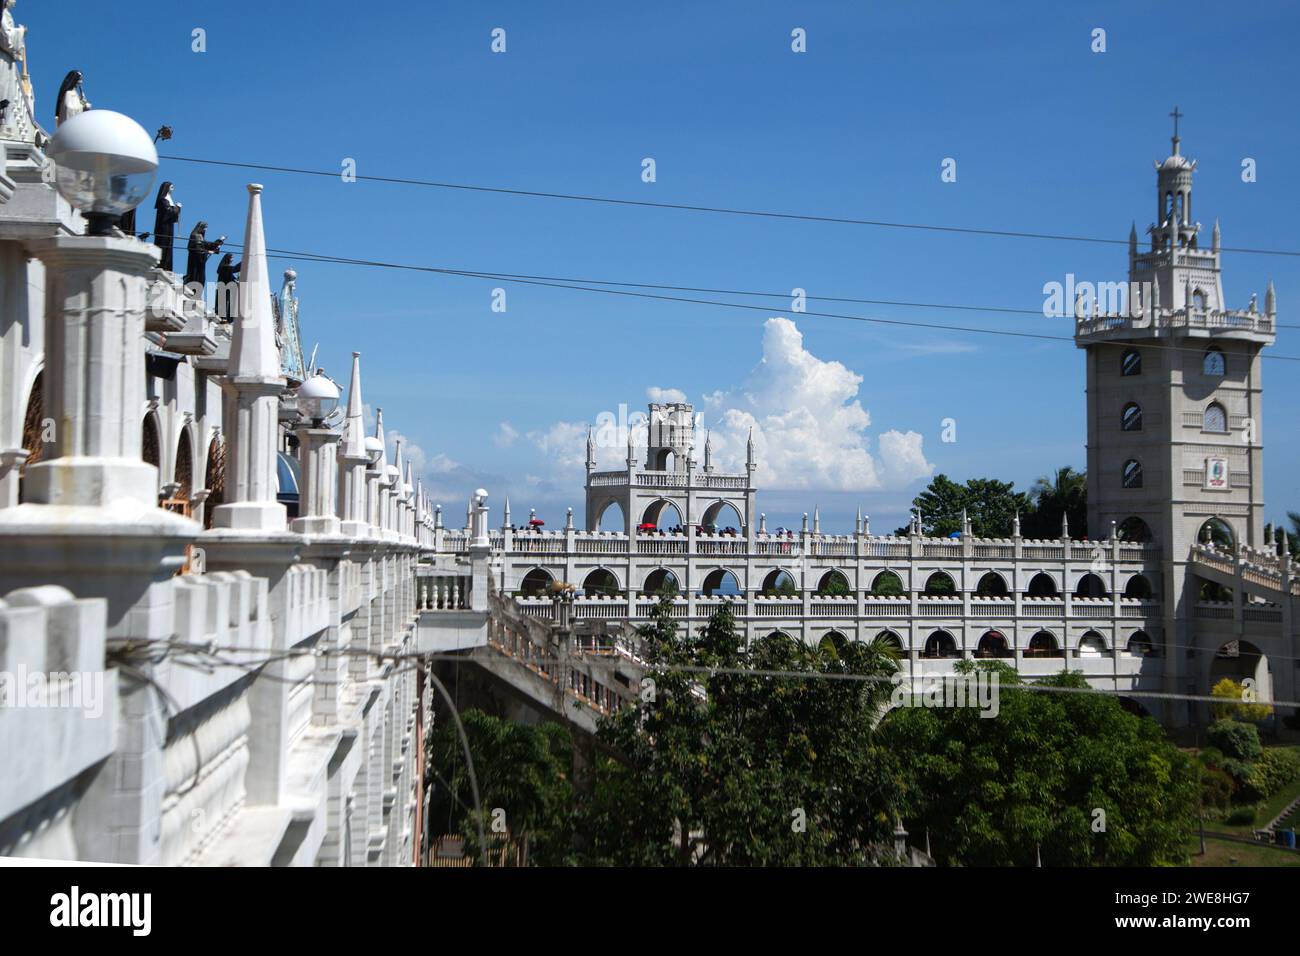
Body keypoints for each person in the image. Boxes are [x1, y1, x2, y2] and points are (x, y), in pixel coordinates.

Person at [183, 221, 224, 288]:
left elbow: (209, 245)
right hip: (195, 262)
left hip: (200, 262)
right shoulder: (195, 235)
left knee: (201, 278)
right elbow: (197, 249)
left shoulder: (201, 237)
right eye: (204, 228)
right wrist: (208, 251)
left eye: (206, 229)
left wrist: (219, 241)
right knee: (196, 277)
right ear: (200, 227)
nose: (205, 230)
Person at [152, 182, 181, 272]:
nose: (173, 188)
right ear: (167, 188)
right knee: (163, 244)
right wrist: (177, 207)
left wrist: (177, 209)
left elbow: (173, 214)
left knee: (168, 245)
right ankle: (161, 265)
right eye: (171, 187)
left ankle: (167, 266)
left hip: (169, 226)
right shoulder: (163, 199)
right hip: (163, 227)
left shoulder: (168, 199)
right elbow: (169, 211)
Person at [213, 253, 241, 322]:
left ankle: (225, 318)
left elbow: (233, 278)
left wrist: (237, 281)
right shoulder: (224, 267)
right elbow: (234, 269)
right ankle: (223, 318)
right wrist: (244, 262)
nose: (232, 260)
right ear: (227, 259)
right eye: (231, 258)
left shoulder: (226, 268)